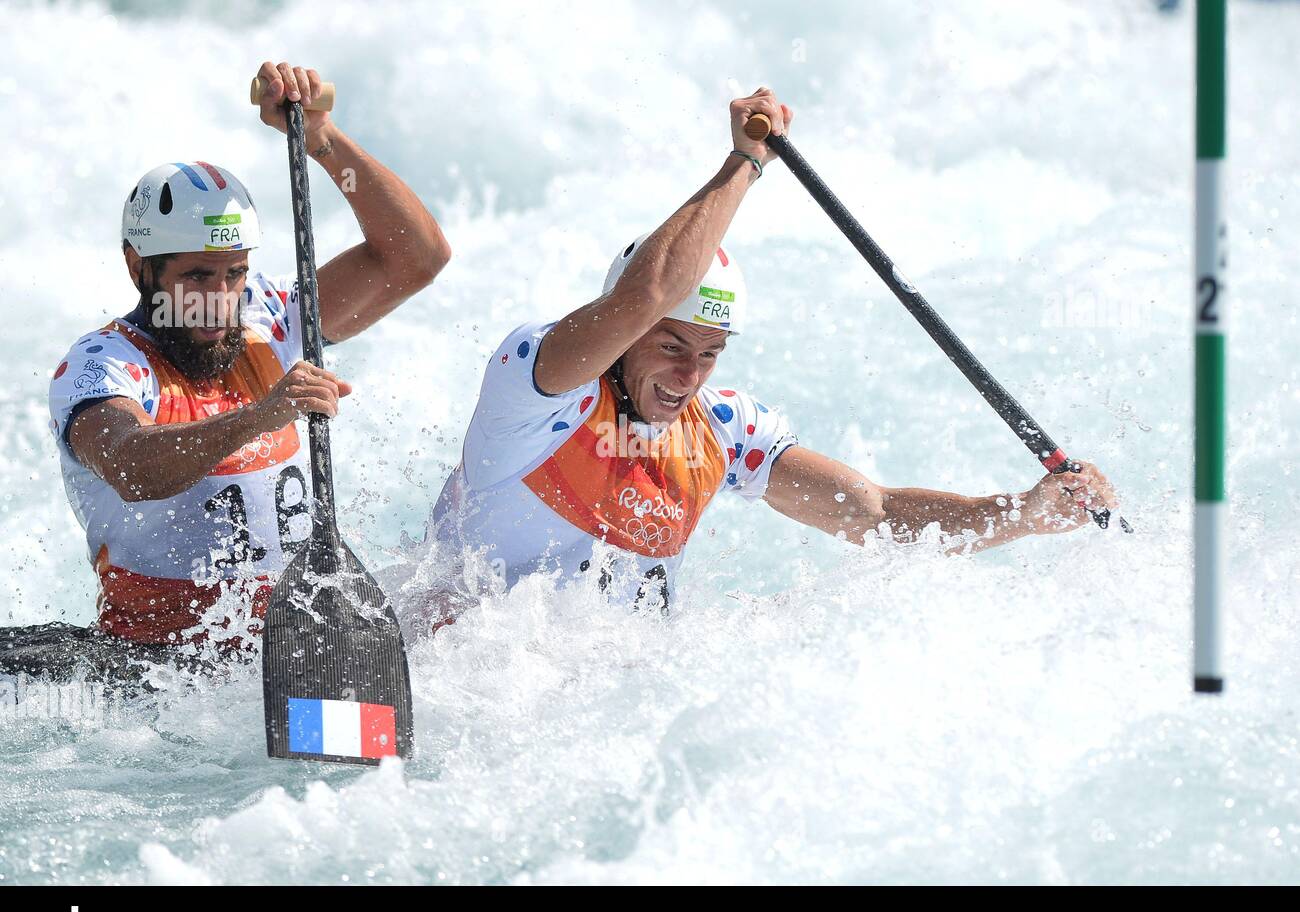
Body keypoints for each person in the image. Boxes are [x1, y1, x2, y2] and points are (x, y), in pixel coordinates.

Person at [423, 87, 1119, 625]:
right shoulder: (537, 387)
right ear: (624, 330)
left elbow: (876, 515)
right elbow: (647, 294)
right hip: (470, 670)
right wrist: (746, 163)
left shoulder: (725, 430)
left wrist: (1020, 515)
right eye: (670, 345)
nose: (688, 375)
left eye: (709, 353)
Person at [46, 61, 451, 652]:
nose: (218, 299)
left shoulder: (268, 316)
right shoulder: (103, 364)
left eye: (233, 274)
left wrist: (322, 141)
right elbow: (131, 469)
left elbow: (416, 259)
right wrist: (264, 414)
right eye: (197, 276)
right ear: (140, 267)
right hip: (160, 663)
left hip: (290, 642)